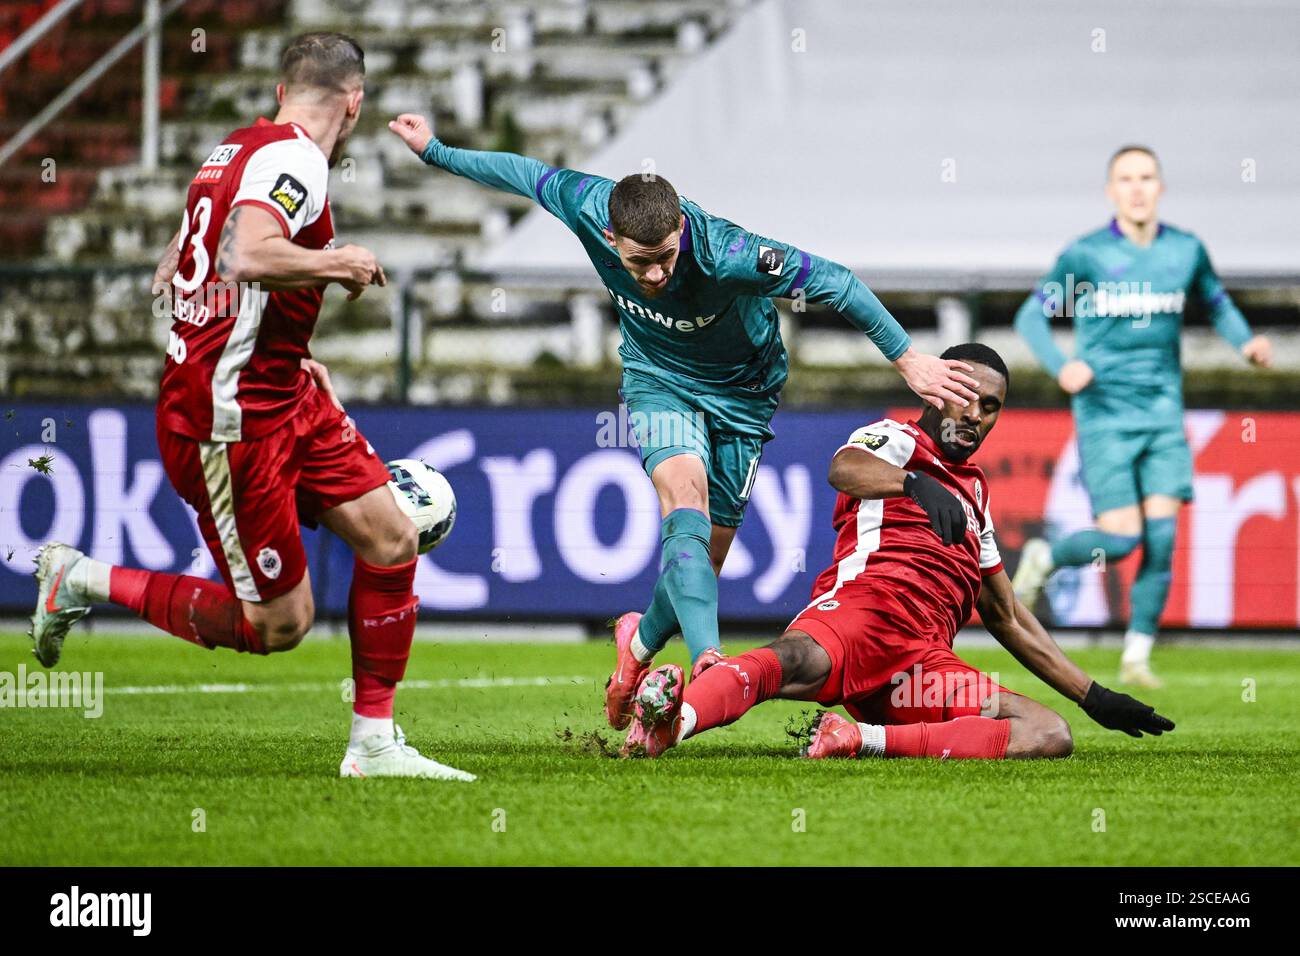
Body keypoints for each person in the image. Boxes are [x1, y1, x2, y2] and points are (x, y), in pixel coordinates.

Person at [387, 113, 979, 730]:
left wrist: (906, 356)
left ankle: (637, 647)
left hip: (745, 393)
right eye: (641, 263)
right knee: (684, 506)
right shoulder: (587, 205)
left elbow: (833, 281)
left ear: (680, 229)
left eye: (667, 257)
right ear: (611, 237)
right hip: (658, 379)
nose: (656, 275)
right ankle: (709, 660)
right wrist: (435, 150)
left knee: (699, 563)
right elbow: (522, 173)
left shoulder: (728, 252)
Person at [28, 32, 473, 781]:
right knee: (279, 624)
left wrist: (281, 348)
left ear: (280, 90)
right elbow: (244, 255)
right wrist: (338, 262)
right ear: (354, 103)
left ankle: (374, 745)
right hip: (232, 422)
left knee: (391, 537)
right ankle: (78, 579)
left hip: (281, 390)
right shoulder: (297, 159)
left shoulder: (230, 153)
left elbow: (175, 268)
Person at [618, 343, 1174, 759]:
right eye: (964, 395)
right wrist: (914, 484)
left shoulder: (975, 494)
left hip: (921, 665)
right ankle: (675, 721)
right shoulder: (898, 440)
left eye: (990, 405)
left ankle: (859, 737)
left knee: (1049, 733)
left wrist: (1092, 695)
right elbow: (844, 468)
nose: (975, 414)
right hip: (863, 617)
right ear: (934, 392)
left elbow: (1005, 614)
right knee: (789, 660)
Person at [1012, 145, 1273, 688]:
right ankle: (1046, 554)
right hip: (1104, 415)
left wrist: (1246, 344)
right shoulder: (1086, 256)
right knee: (1123, 539)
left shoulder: (1184, 251)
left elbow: (1217, 302)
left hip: (1162, 416)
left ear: (1160, 187)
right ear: (1111, 191)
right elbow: (1030, 315)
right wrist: (1062, 366)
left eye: (1146, 177)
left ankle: (1136, 656)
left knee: (1161, 539)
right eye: (1126, 178)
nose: (1136, 187)